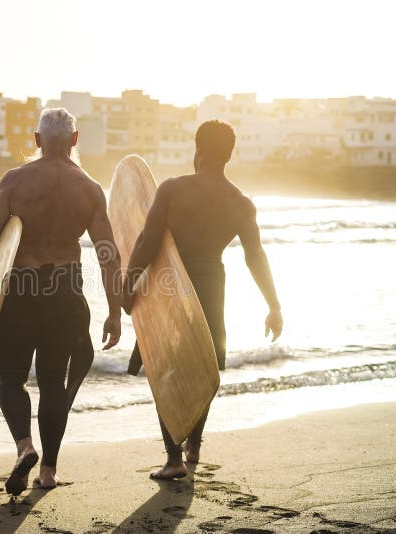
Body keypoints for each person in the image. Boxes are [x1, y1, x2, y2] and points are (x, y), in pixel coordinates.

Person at [0, 108, 122, 495]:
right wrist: (114, 311)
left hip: (21, 290)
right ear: (74, 140)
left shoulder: (15, 181)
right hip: (65, 290)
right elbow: (108, 254)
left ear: (37, 139)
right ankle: (49, 471)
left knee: (11, 377)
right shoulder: (90, 189)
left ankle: (25, 447)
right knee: (53, 381)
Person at [122, 120, 283, 479]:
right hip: (211, 286)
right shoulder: (241, 203)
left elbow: (148, 240)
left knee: (166, 369)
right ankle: (193, 444)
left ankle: (173, 458)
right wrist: (273, 305)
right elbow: (254, 256)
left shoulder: (173, 189)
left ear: (198, 150)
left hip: (171, 283)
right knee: (204, 365)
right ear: (229, 155)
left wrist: (128, 282)